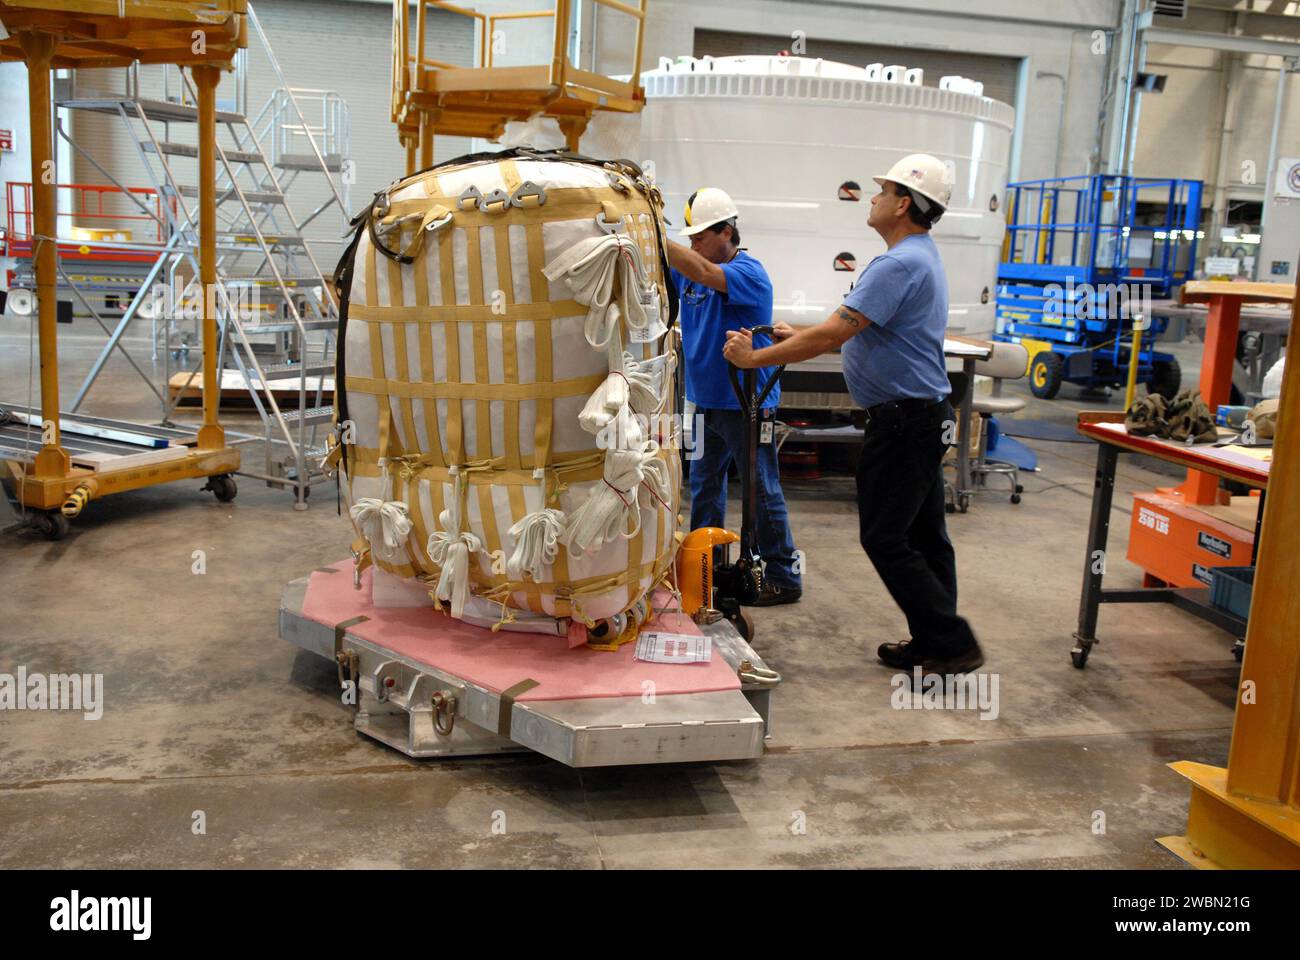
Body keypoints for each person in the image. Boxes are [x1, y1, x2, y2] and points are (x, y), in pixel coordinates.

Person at [722, 154, 983, 673]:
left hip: (904, 422)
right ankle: (934, 641)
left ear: (904, 202)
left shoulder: (899, 263)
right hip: (922, 415)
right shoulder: (916, 256)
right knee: (924, 536)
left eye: (882, 191)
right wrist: (798, 335)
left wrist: (754, 358)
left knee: (885, 536)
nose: (874, 198)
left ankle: (951, 642)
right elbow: (862, 330)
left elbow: (836, 333)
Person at [666, 186, 802, 606]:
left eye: (701, 236)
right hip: (705, 402)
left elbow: (705, 275)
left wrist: (653, 230)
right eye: (689, 239)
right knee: (705, 486)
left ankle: (781, 575)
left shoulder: (749, 274)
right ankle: (706, 567)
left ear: (727, 231)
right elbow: (664, 271)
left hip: (747, 405)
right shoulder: (691, 269)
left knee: (761, 489)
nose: (694, 245)